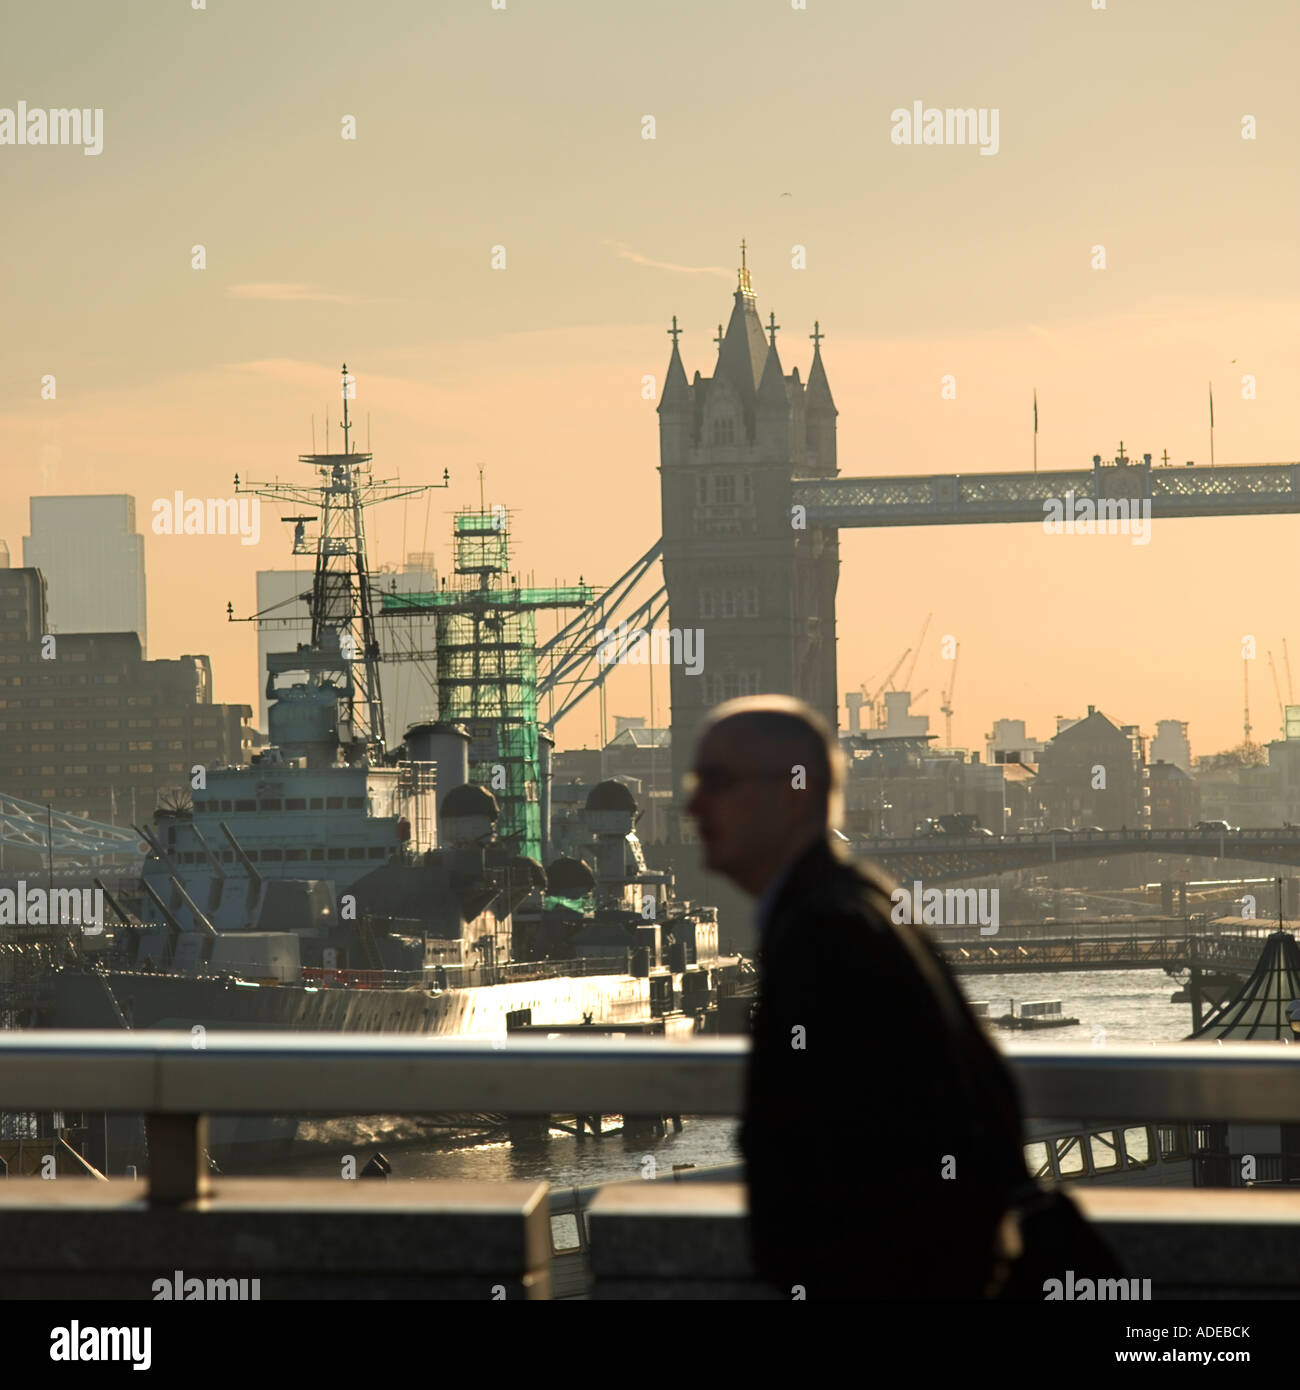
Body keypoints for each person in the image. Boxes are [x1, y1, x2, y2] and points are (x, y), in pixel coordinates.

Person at [685, 695, 1029, 1299]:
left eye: (717, 782)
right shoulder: (861, 899)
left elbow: (855, 1154)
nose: (693, 804)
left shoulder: (824, 932)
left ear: (794, 793)